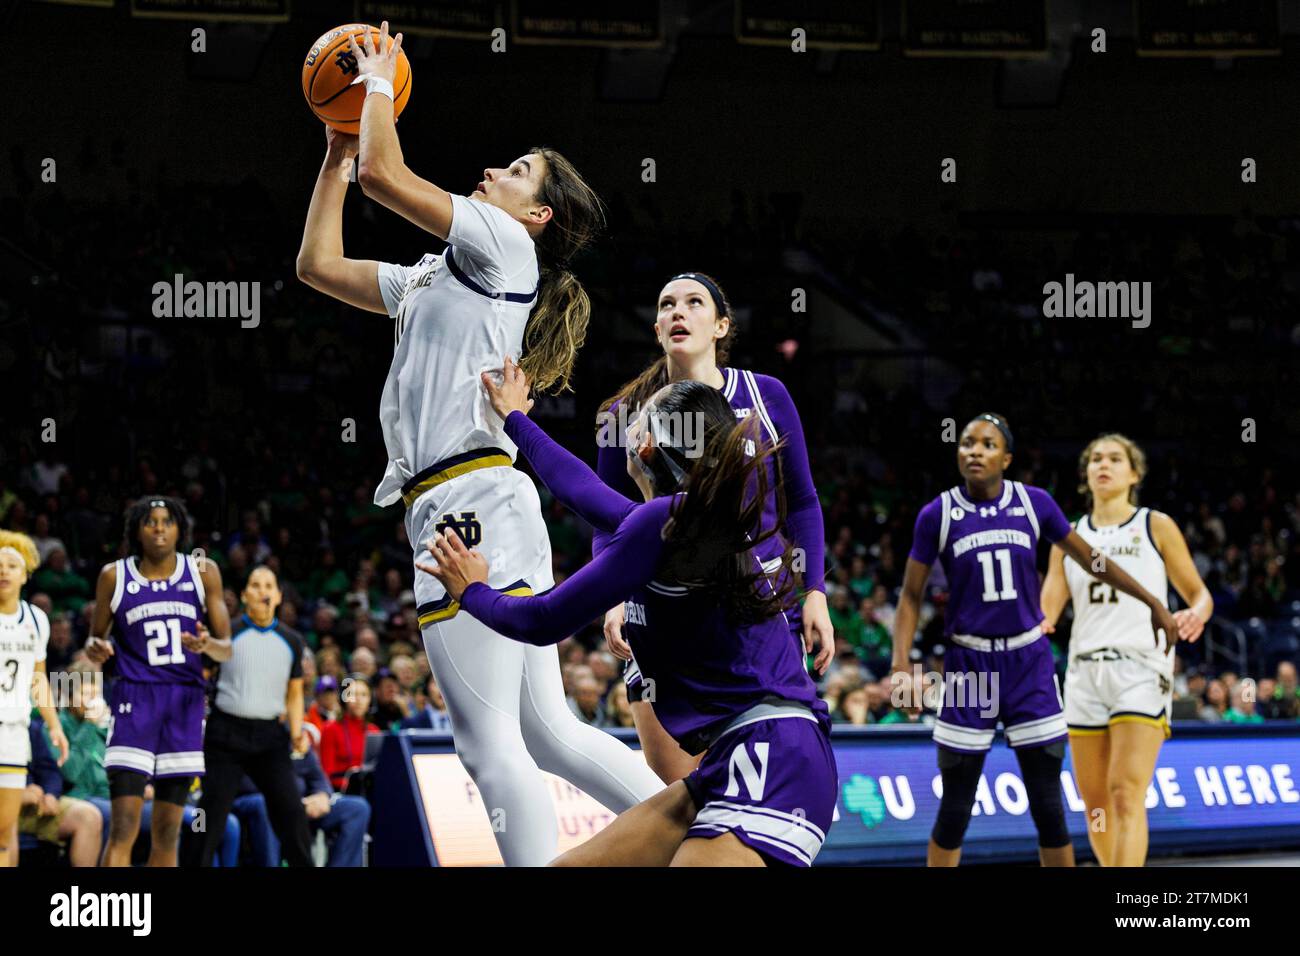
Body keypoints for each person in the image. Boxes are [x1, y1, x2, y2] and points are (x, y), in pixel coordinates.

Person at [295, 22, 660, 865]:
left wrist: (378, 88)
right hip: (487, 498)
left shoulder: (504, 244)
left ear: (534, 214)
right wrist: (333, 153)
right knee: (550, 735)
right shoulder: (436, 273)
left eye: (517, 169)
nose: (493, 168)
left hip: (466, 504)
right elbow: (318, 265)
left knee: (489, 746)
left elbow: (386, 176)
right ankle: (701, 827)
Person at [419, 361, 838, 866]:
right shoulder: (679, 520)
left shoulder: (664, 524)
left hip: (773, 759)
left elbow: (543, 621)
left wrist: (473, 590)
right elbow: (583, 492)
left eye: (639, 421)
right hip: (734, 762)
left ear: (642, 448)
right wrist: (514, 419)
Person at [890, 414, 1179, 868]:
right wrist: (900, 665)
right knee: (955, 808)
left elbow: (1094, 562)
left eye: (987, 444)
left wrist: (1152, 603)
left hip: (1029, 661)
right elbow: (910, 594)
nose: (974, 451)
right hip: (970, 665)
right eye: (966, 443)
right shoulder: (938, 514)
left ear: (1006, 458)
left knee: (1049, 807)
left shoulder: (1035, 504)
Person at [594, 272, 832, 783]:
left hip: (759, 611)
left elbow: (804, 503)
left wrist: (814, 591)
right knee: (685, 792)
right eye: (667, 305)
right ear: (657, 328)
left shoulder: (767, 395)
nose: (679, 312)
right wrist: (610, 596)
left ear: (721, 325)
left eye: (694, 303)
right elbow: (603, 516)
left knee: (767, 784)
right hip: (665, 614)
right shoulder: (623, 414)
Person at [1040, 433, 1213, 866]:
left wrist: (1197, 613)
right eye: (1096, 458)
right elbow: (1048, 608)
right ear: (1085, 475)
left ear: (1133, 473)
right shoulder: (1070, 536)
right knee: (1096, 806)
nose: (1104, 465)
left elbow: (1199, 594)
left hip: (1140, 667)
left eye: (1116, 459)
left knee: (1124, 793)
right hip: (1083, 674)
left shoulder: (1155, 525)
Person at [84, 497, 232, 867]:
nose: (160, 528)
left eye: (167, 521)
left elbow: (227, 648)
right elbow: (93, 639)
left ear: (180, 528)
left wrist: (206, 644)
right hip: (135, 699)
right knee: (123, 829)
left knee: (168, 833)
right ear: (137, 529)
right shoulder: (114, 576)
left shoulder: (202, 571)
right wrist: (97, 648)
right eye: (150, 522)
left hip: (184, 704)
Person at [185, 566, 314, 867]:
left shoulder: (292, 641)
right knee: (209, 815)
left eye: (269, 585)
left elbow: (294, 693)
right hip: (225, 735)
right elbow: (201, 677)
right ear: (244, 596)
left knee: (292, 813)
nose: (263, 591)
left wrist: (297, 731)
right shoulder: (227, 634)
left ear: (279, 596)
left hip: (270, 738)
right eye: (255, 585)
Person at [0, 530, 69, 866]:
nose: (3, 571)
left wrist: (54, 725)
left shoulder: (36, 620)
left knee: (5, 830)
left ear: (25, 573)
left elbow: (38, 678)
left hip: (14, 732)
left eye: (11, 565)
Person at [319, 675, 380, 791]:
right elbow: (327, 774)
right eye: (353, 694)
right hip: (342, 792)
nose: (359, 700)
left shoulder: (374, 730)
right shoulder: (330, 729)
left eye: (364, 695)